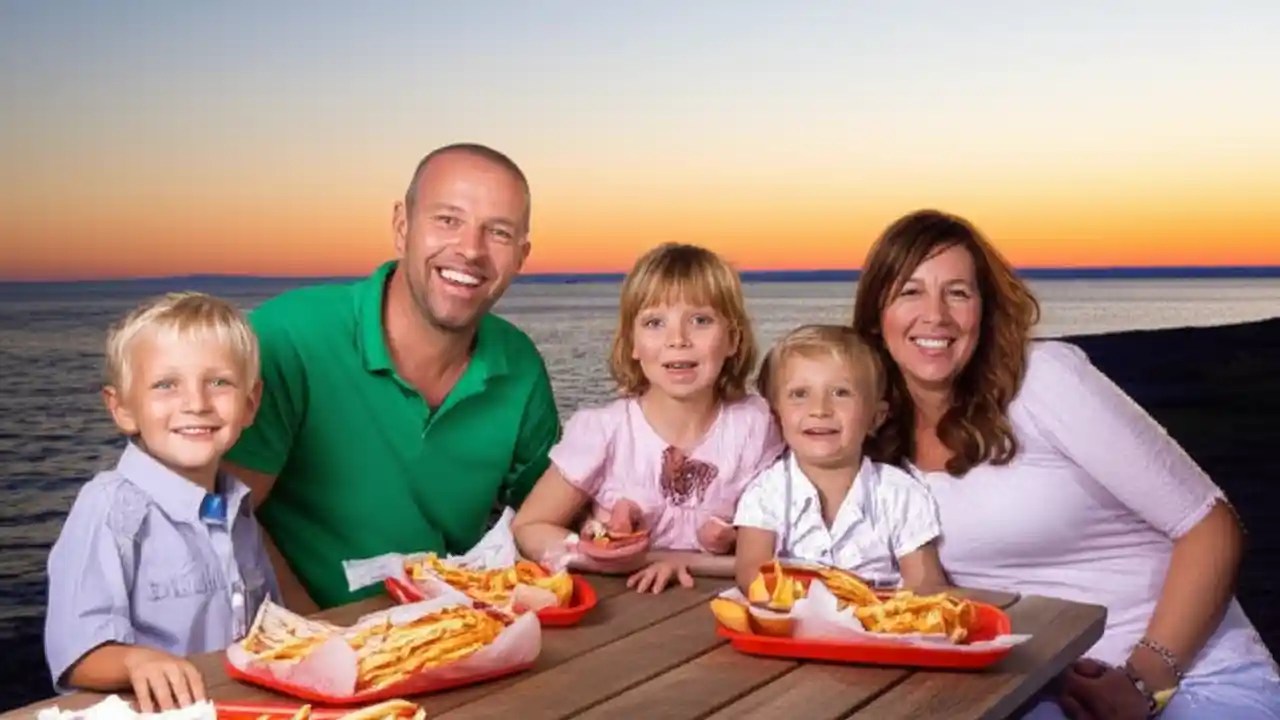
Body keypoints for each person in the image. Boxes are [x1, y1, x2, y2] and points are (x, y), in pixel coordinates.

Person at [851, 208, 1280, 719]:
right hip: (1033, 693)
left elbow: (1212, 527)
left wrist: (1142, 682)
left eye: (958, 292)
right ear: (878, 317)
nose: (936, 315)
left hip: (1185, 680)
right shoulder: (870, 435)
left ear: (984, 312)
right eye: (910, 291)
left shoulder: (1044, 383)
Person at [221, 143, 560, 612]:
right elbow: (226, 517)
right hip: (298, 642)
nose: (470, 249)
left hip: (451, 636)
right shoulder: (288, 337)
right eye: (448, 220)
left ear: (521, 256)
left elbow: (549, 513)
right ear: (402, 227)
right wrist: (321, 635)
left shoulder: (518, 363)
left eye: (498, 233)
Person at [44, 292, 278, 712]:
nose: (197, 403)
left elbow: (270, 631)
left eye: (219, 382)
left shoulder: (238, 510)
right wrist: (136, 661)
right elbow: (75, 654)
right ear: (123, 409)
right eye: (166, 385)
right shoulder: (109, 509)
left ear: (249, 404)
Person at [511, 242, 784, 593]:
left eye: (700, 320)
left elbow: (782, 554)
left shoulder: (757, 427)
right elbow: (530, 527)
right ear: (633, 345)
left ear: (733, 339)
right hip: (619, 617)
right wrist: (594, 549)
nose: (678, 340)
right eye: (655, 322)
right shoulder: (605, 432)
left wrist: (686, 558)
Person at [733, 324, 948, 594]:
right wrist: (816, 601)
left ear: (875, 418)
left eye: (841, 393)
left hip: (879, 628)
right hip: (791, 623)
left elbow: (926, 583)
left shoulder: (901, 493)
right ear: (777, 417)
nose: (820, 409)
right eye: (800, 394)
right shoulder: (765, 493)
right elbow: (752, 574)